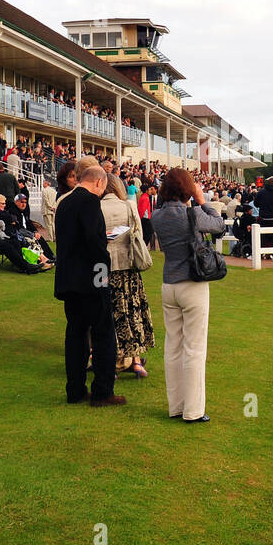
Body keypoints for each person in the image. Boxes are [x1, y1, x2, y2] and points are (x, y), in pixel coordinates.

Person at [151, 167, 224, 422]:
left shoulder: (157, 214)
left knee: (173, 347)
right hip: (191, 283)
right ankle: (193, 410)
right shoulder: (192, 213)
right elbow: (218, 224)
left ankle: (177, 406)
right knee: (194, 348)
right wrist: (203, 202)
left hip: (169, 283)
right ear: (187, 188)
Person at [54, 166, 124, 407]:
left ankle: (74, 390)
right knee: (103, 333)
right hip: (92, 278)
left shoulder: (64, 202)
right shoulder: (91, 202)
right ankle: (102, 391)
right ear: (99, 183)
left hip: (69, 279)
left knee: (75, 334)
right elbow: (94, 243)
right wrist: (104, 273)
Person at [102, 174, 155, 378]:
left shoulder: (96, 207)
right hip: (128, 265)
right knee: (132, 312)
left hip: (104, 266)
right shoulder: (129, 206)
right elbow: (138, 235)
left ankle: (112, 360)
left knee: (109, 313)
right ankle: (135, 360)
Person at [252, 176, 273, 261]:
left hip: (264, 218)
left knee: (262, 237)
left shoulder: (261, 192)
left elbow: (255, 204)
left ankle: (261, 254)